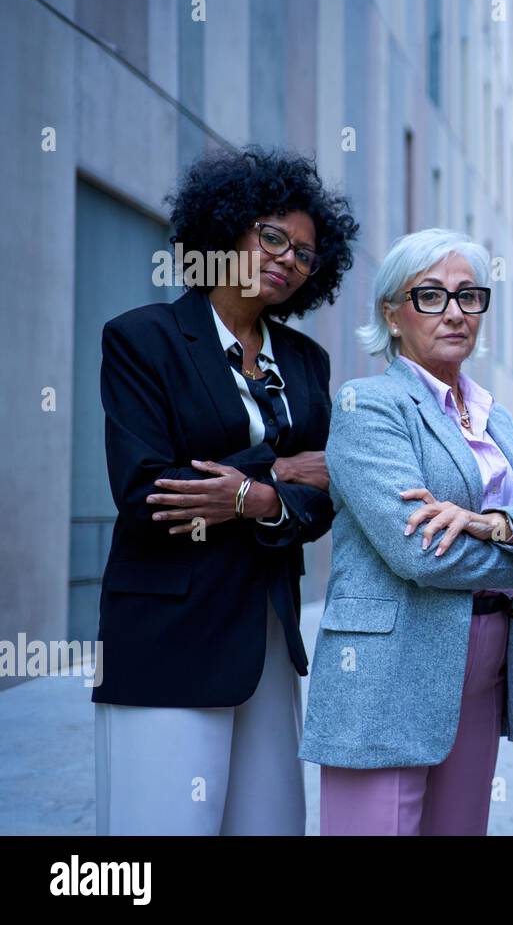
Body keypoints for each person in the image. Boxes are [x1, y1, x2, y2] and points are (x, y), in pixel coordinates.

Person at [93, 146, 358, 835]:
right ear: (226, 229)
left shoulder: (305, 362)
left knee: (269, 827)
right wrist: (276, 477)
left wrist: (256, 495)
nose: (288, 258)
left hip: (266, 636)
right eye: (273, 236)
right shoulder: (143, 340)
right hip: (168, 636)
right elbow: (149, 493)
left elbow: (326, 494)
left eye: (304, 252)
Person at [299, 228, 513, 835]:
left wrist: (491, 523)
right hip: (388, 662)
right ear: (392, 313)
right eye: (431, 296)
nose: (456, 313)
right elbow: (421, 552)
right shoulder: (369, 405)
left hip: (485, 657)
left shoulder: (497, 418)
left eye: (469, 296)